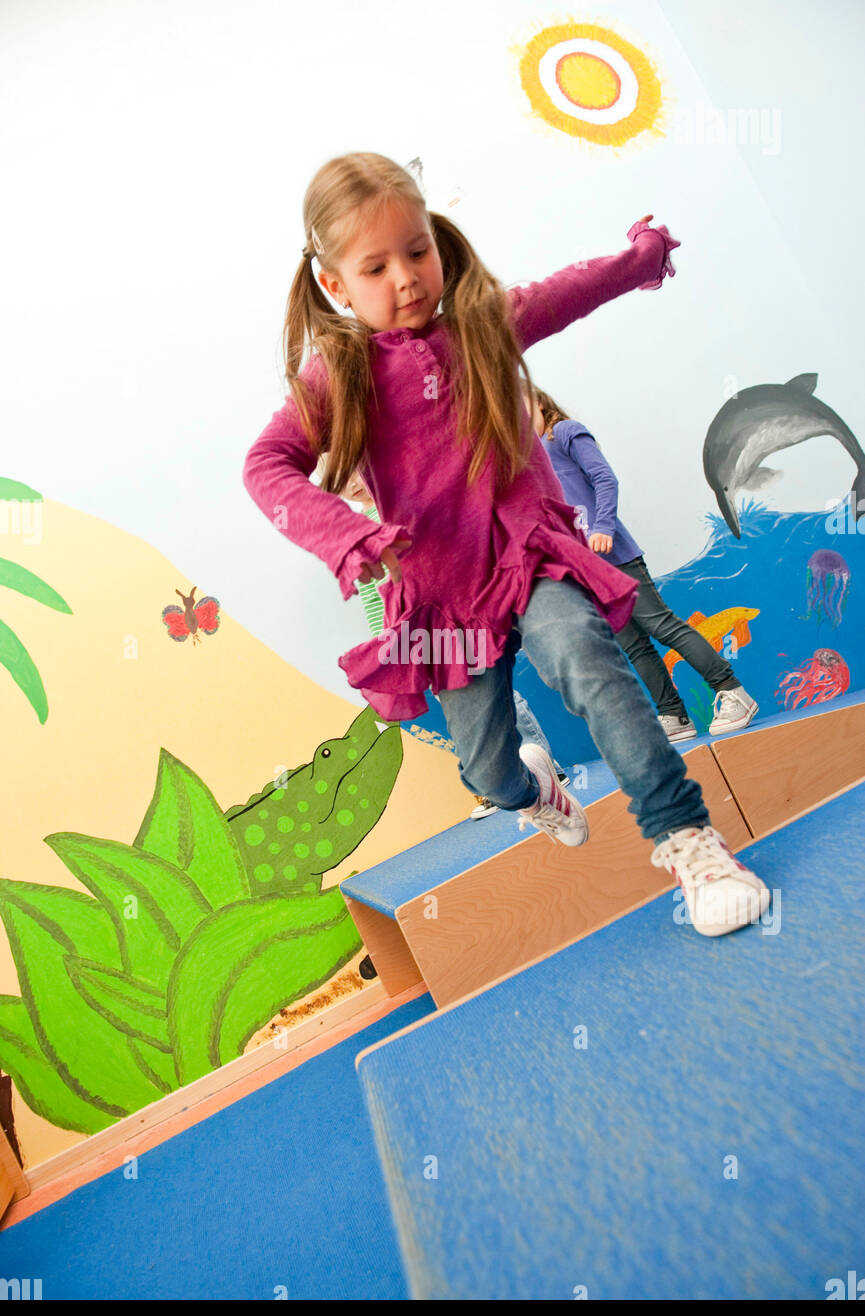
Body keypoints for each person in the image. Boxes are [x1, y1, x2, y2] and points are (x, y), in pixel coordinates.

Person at [243, 151, 770, 935]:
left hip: (527, 557)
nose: (406, 278)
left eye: (417, 251)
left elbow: (566, 293)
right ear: (334, 285)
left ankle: (689, 840)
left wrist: (639, 258)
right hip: (438, 593)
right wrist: (348, 537)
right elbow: (265, 466)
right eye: (375, 267)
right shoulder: (339, 375)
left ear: (437, 241)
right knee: (487, 768)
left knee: (586, 657)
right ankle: (536, 795)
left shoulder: (480, 327)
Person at [527, 387, 759, 741]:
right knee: (634, 645)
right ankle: (673, 714)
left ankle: (733, 692)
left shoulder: (564, 432)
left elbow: (604, 478)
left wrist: (603, 526)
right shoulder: (532, 459)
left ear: (540, 402)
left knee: (662, 625)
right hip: (585, 570)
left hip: (612, 553)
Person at [341, 469, 569, 818]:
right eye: (341, 484)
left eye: (354, 473)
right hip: (417, 638)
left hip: (457, 621)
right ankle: (503, 780)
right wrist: (387, 645)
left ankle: (546, 765)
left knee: (497, 696)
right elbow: (372, 598)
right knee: (460, 710)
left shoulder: (399, 509)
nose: (353, 486)